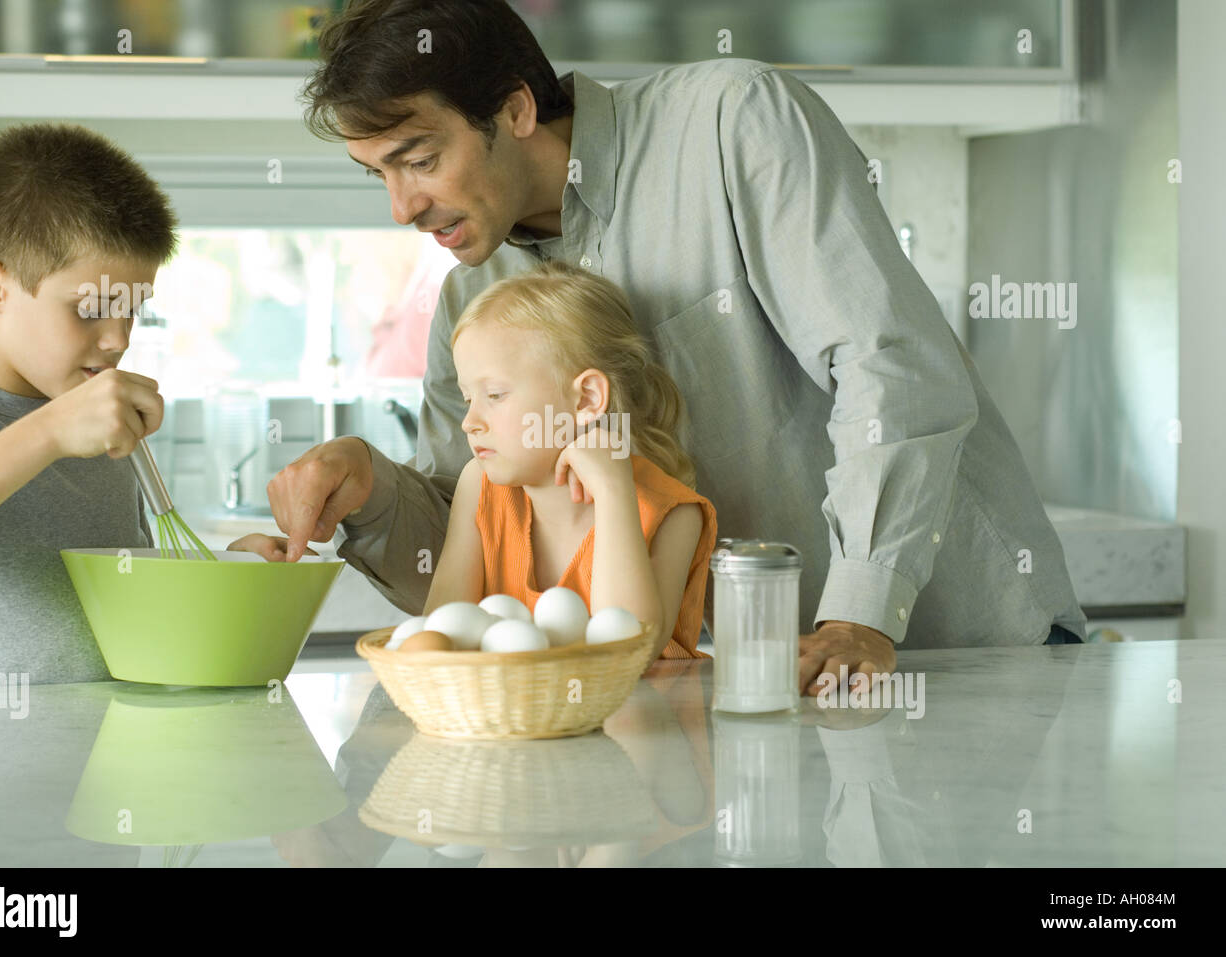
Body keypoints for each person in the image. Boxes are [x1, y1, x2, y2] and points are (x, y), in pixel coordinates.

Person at [254, 0, 1088, 693]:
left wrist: (860, 612)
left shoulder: (730, 122)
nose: (403, 206)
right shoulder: (474, 296)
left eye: (420, 160)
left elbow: (894, 367)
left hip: (962, 651)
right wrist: (367, 491)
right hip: (774, 686)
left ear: (514, 110)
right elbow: (480, 534)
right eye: (381, 175)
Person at [0, 124, 174, 684]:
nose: (119, 339)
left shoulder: (99, 425)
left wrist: (231, 577)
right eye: (89, 309)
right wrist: (47, 433)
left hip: (109, 760)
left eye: (132, 310)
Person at [427, 260, 717, 660]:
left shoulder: (673, 512)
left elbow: (630, 647)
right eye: (467, 398)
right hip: (520, 719)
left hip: (644, 718)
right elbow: (440, 632)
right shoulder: (479, 485)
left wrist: (615, 492)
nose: (469, 422)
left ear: (585, 400)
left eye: (494, 395)